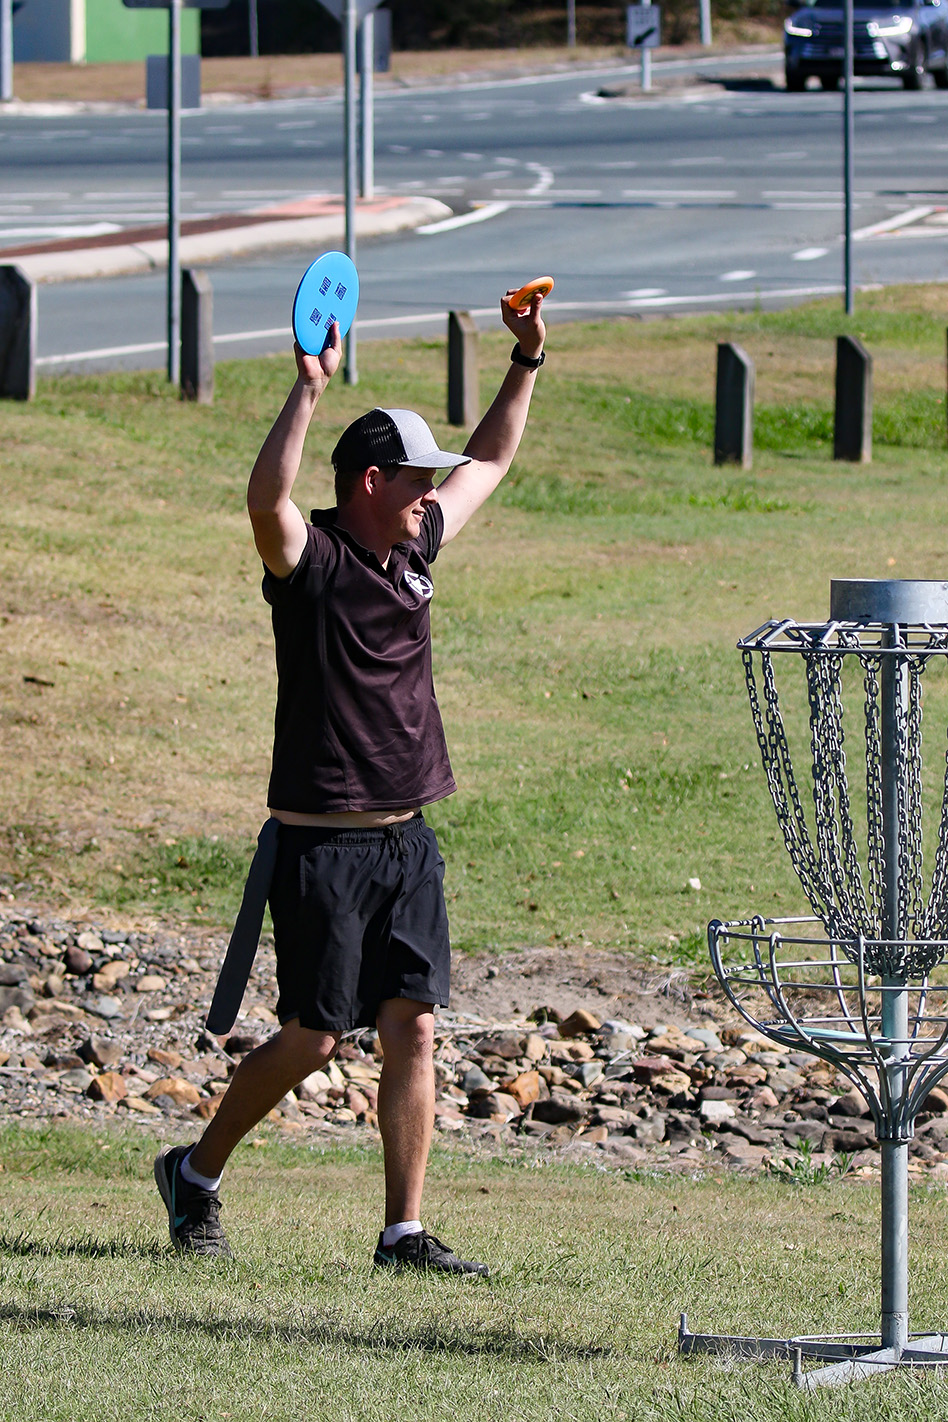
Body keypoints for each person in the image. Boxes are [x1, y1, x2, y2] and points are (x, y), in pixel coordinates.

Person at [154, 281, 547, 1275]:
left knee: (414, 1028)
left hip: (407, 840)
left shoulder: (415, 549)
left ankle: (402, 1233)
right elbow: (265, 501)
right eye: (416, 478)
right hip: (322, 842)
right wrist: (308, 389)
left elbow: (492, 459)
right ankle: (194, 1172)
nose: (430, 493)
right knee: (314, 1038)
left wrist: (526, 359)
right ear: (371, 480)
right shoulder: (313, 563)